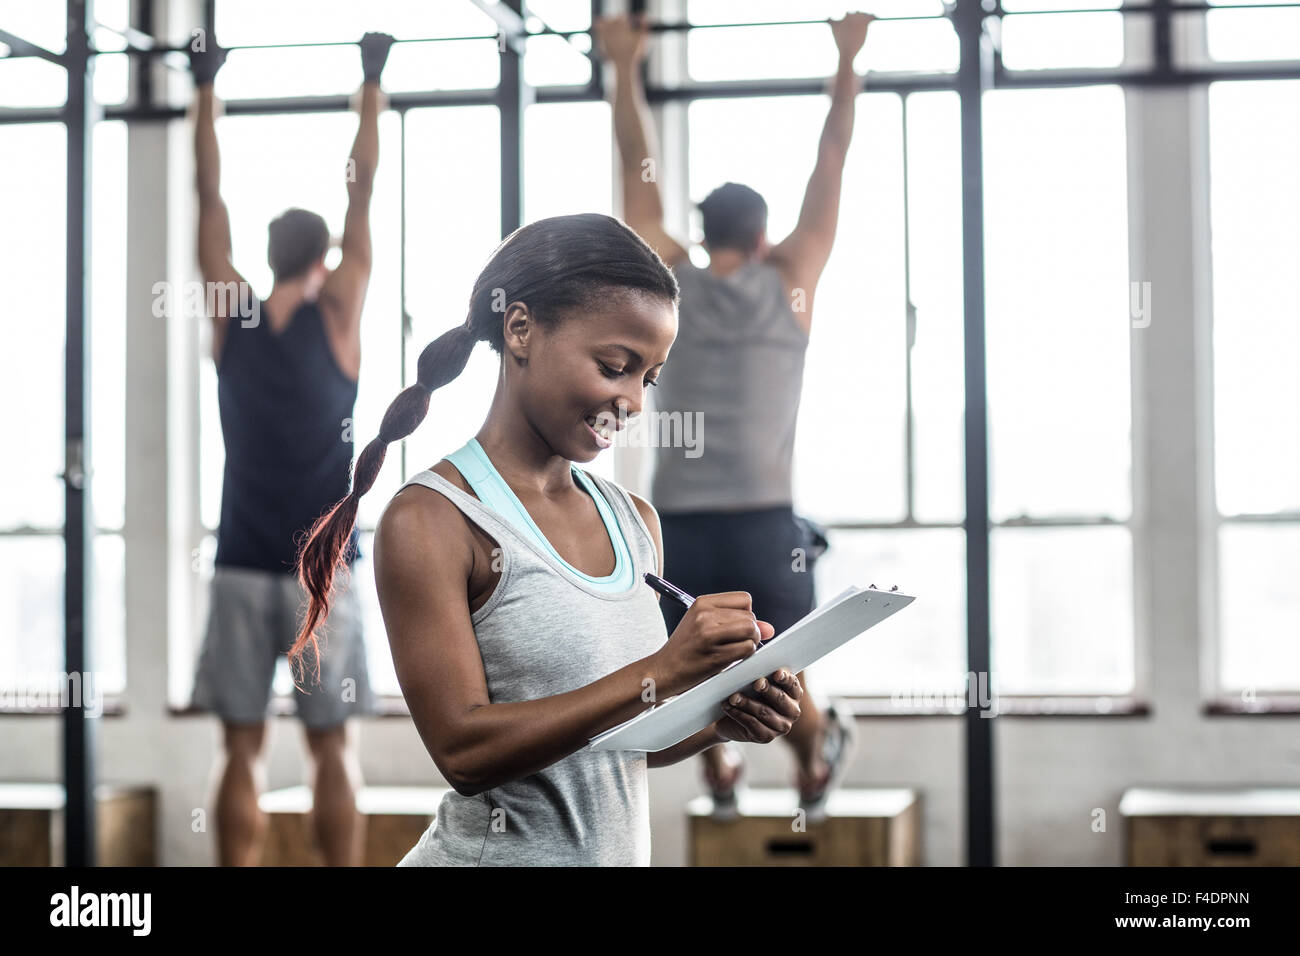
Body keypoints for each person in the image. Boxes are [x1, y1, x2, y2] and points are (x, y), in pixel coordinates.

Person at [291, 213, 805, 866]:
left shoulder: (634, 521)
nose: (635, 401)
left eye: (647, 378)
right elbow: (464, 752)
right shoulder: (431, 519)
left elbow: (614, 746)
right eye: (615, 366)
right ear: (521, 329)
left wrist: (716, 724)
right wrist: (664, 670)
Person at [594, 11, 875, 822]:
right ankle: (777, 761)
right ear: (760, 236)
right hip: (758, 512)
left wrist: (624, 66)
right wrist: (846, 57)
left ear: (705, 231)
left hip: (680, 512)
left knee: (710, 658)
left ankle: (804, 756)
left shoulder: (669, 286)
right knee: (765, 666)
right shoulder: (790, 281)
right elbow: (833, 160)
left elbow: (633, 176)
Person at [185, 32, 396, 866]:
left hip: (241, 561)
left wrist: (206, 89)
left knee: (239, 749)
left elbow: (209, 194)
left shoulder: (230, 314)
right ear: (320, 261)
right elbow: (365, 193)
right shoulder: (338, 315)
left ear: (269, 258)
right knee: (330, 749)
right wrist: (371, 81)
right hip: (321, 572)